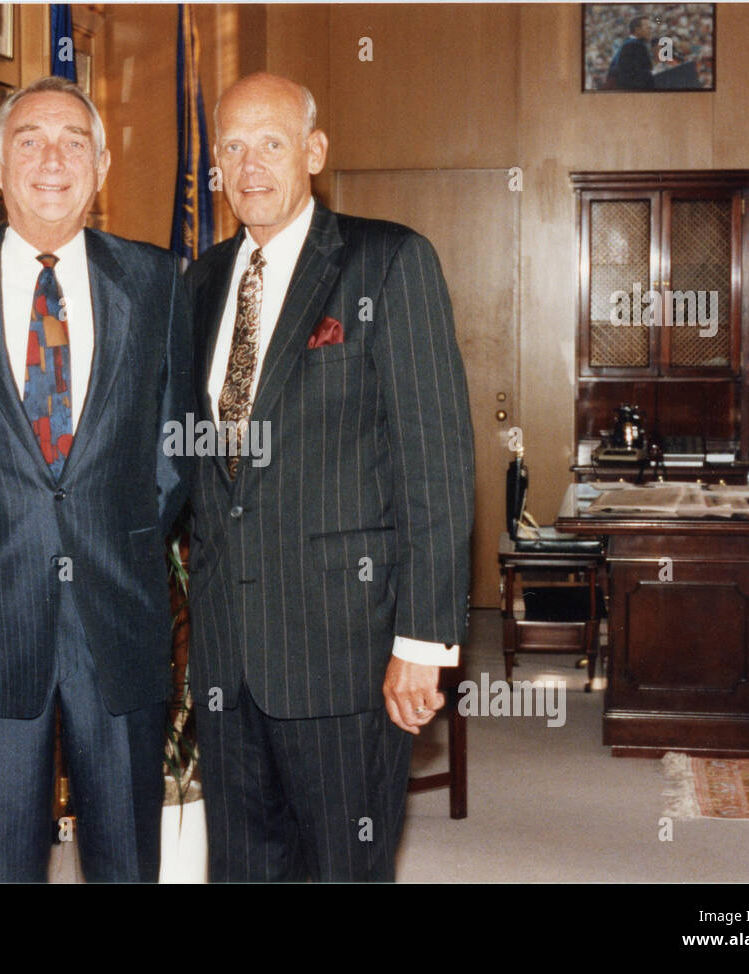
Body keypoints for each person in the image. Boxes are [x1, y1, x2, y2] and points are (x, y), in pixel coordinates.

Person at [0, 76, 192, 882]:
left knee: (125, 858)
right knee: (4, 862)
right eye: (28, 140)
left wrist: (121, 535)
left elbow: (180, 439)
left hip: (119, 616)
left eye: (73, 141)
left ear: (103, 164)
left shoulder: (157, 281)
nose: (52, 159)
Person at [184, 72, 475, 882]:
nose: (250, 167)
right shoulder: (201, 284)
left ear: (313, 150)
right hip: (226, 655)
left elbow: (438, 462)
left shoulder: (387, 263)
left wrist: (422, 641)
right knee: (241, 870)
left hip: (344, 651)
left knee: (344, 868)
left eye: (271, 143)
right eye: (232, 148)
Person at [607, 15, 656, 90]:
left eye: (651, 28)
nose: (650, 31)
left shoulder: (628, 44)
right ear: (637, 30)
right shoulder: (634, 46)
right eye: (648, 28)